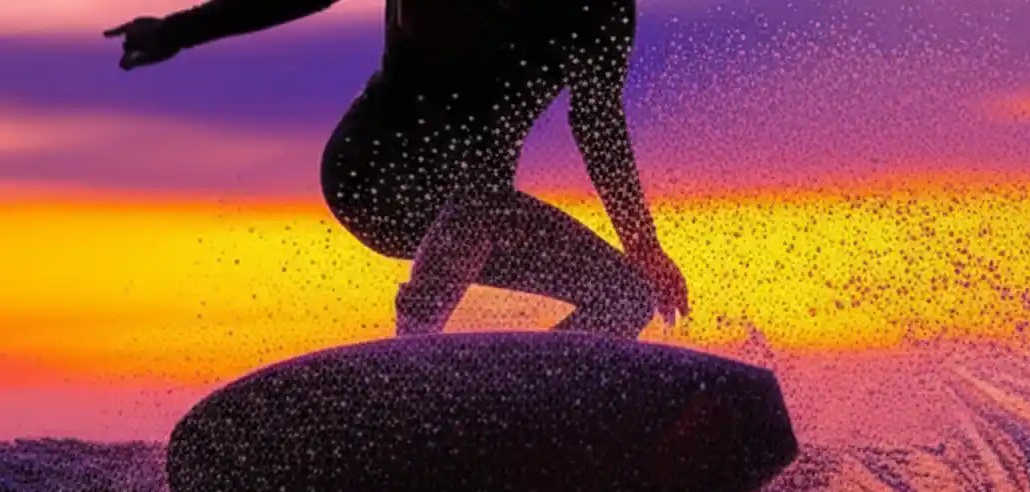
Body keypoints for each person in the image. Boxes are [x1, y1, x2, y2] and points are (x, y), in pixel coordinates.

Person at [105, 0, 689, 338]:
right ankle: (412, 356)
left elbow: (597, 121)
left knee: (625, 296)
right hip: (372, 175)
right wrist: (177, 31)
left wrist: (644, 247)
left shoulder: (601, 5)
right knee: (482, 186)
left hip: (474, 215)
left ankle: (506, 425)